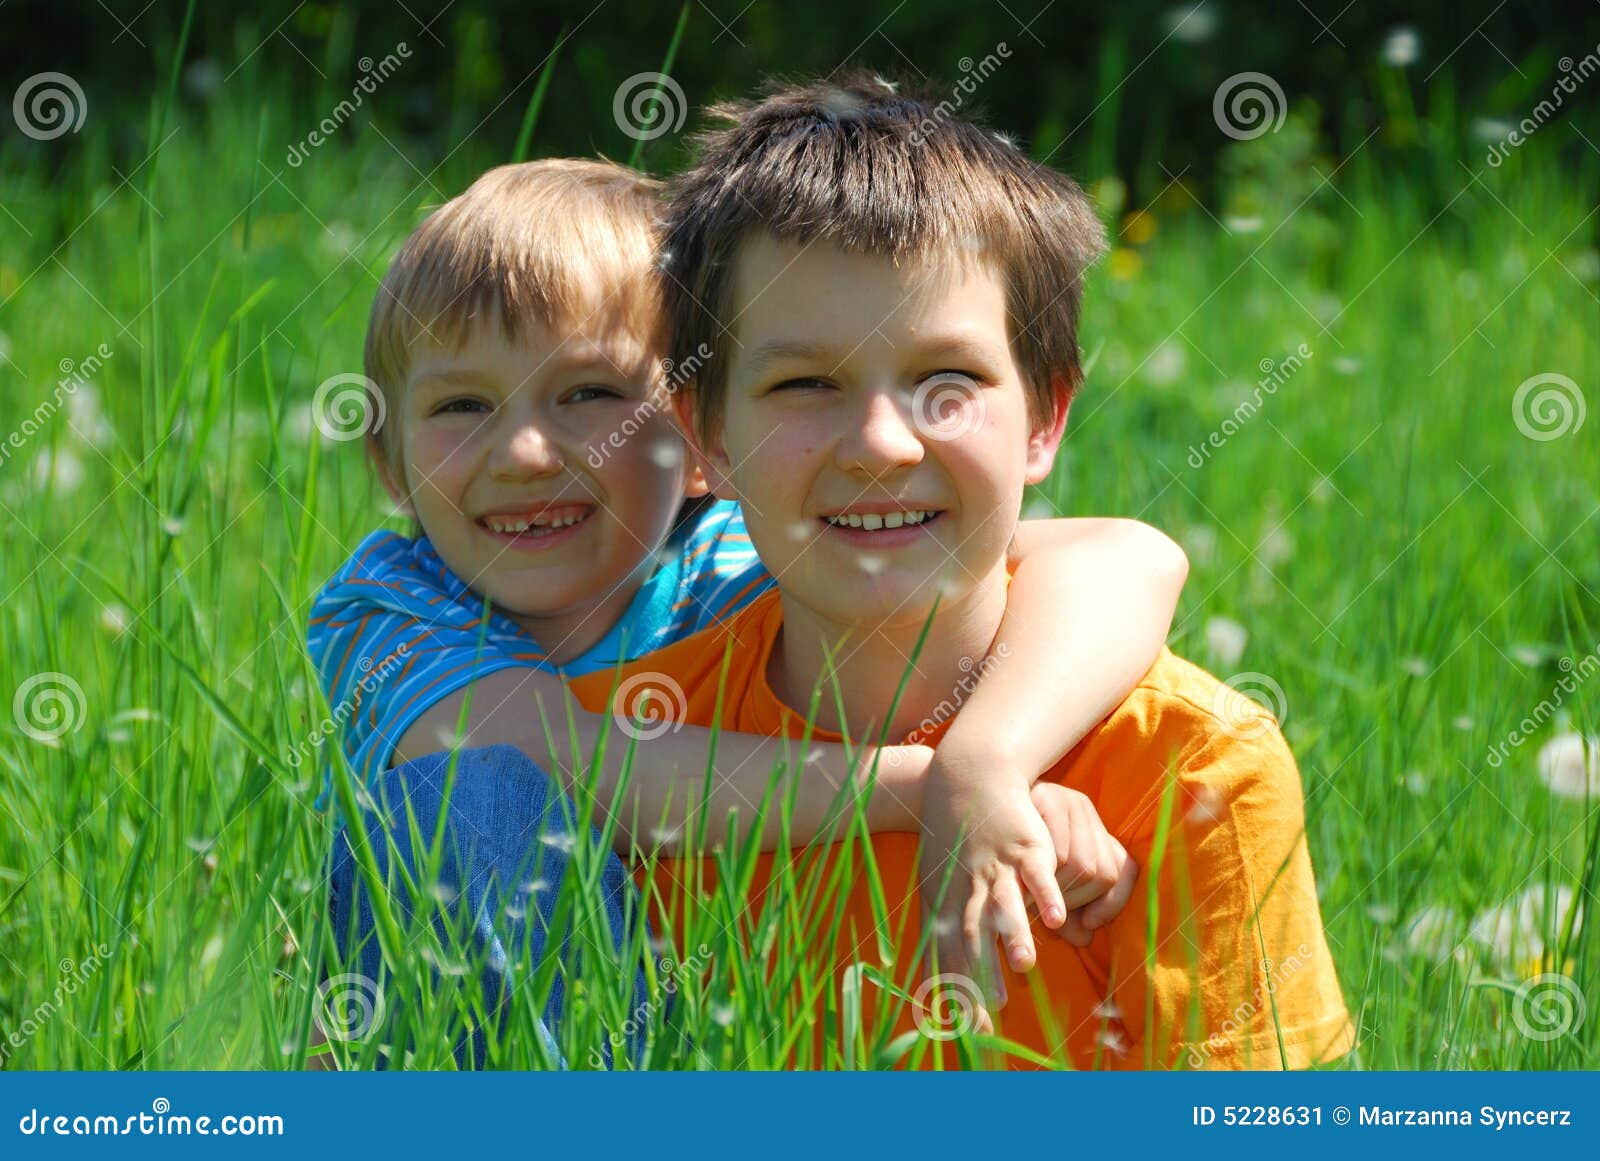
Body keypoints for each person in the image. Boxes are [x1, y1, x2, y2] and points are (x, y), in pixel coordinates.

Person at [309, 157, 1190, 1063]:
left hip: (740, 1019)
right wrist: (936, 789)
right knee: (464, 805)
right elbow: (572, 764)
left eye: (590, 395)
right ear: (389, 461)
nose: (527, 451)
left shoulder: (743, 549)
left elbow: (1130, 555)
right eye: (462, 404)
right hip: (498, 1043)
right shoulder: (389, 610)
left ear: (701, 441)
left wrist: (993, 763)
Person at [567, 75, 1355, 1069]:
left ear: (1046, 418)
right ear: (708, 438)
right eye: (805, 383)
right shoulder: (631, 755)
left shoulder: (1193, 772)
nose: (881, 443)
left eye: (948, 381)